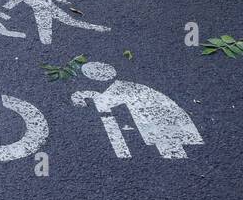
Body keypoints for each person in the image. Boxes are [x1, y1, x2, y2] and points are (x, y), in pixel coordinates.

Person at [71, 62, 202, 159]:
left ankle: (176, 158)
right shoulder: (123, 86)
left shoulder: (120, 88)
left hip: (160, 120)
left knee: (169, 143)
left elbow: (108, 104)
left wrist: (87, 96)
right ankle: (175, 156)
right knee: (169, 143)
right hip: (163, 118)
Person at [2, 0, 109, 44]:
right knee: (47, 30)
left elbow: (9, 5)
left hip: (48, 9)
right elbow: (10, 4)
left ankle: (96, 27)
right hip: (43, 10)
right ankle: (96, 27)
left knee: (50, 29)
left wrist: (64, 1)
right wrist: (64, 1)